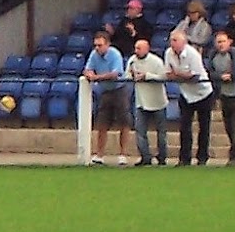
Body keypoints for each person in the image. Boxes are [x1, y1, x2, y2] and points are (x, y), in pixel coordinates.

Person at [165, 28, 214, 166]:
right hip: (186, 94)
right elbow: (169, 74)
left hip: (203, 93)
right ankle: (184, 158)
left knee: (204, 127)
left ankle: (202, 157)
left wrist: (178, 74)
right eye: (171, 40)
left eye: (175, 40)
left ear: (184, 42)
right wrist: (182, 75)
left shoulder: (193, 54)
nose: (172, 43)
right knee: (184, 126)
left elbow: (195, 77)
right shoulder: (168, 53)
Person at [83, 31, 131, 166]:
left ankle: (122, 154)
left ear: (107, 44)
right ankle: (100, 155)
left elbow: (115, 74)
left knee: (124, 122)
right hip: (105, 91)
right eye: (96, 45)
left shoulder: (115, 54)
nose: (97, 48)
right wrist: (89, 73)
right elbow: (87, 69)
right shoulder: (94, 54)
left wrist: (96, 77)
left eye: (100, 45)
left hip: (119, 89)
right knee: (102, 123)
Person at [125, 38, 169, 167]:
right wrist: (132, 76)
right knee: (140, 131)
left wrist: (147, 76)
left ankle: (162, 157)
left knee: (161, 132)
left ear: (147, 48)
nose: (136, 51)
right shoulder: (132, 61)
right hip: (141, 101)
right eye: (136, 48)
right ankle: (145, 157)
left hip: (158, 101)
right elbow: (126, 76)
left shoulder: (156, 61)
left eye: (139, 48)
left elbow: (163, 77)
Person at [209, 31, 235, 165]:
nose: (220, 45)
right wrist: (221, 77)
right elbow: (209, 73)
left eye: (223, 41)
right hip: (225, 94)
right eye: (218, 42)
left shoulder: (234, 53)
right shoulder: (213, 55)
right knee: (228, 127)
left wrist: (227, 77)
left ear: (229, 42)